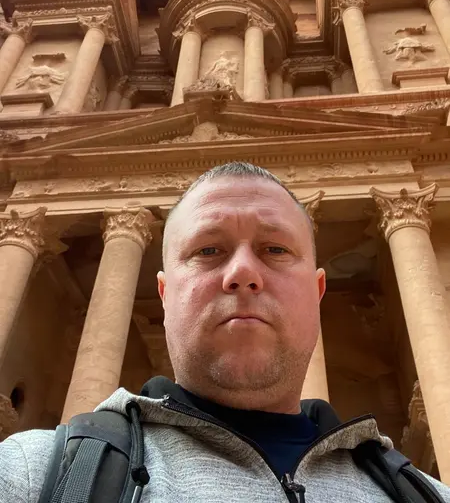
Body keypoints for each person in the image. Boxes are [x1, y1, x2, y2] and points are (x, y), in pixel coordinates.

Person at [1, 161, 450, 502]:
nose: (242, 273)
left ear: (317, 292)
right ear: (165, 294)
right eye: (208, 250)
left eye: (275, 249)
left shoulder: (422, 494)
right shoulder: (32, 473)